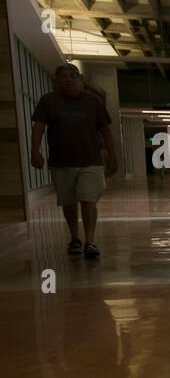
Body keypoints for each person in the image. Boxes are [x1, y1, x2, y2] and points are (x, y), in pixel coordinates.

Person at [30, 64, 119, 259]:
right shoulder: (48, 101)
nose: (68, 80)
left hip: (91, 160)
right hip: (62, 161)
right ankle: (75, 238)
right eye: (63, 77)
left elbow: (105, 130)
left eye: (72, 76)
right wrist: (34, 151)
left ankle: (90, 241)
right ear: (57, 82)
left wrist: (112, 156)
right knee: (68, 201)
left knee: (88, 199)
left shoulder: (93, 102)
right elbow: (39, 126)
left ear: (80, 80)